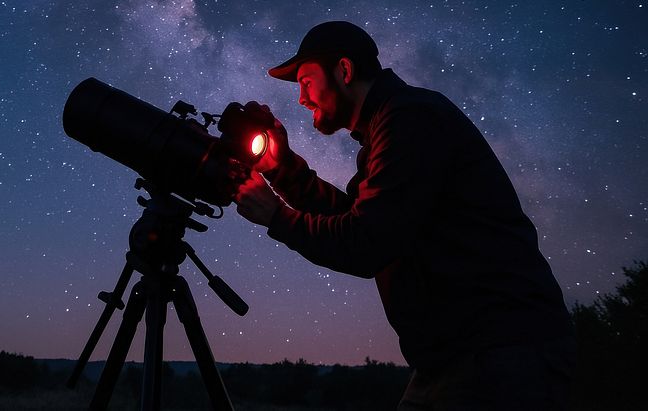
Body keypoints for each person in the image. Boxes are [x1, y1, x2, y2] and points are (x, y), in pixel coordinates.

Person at [234, 21, 574, 410]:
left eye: (306, 81)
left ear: (344, 71)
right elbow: (359, 216)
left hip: (499, 354)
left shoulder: (411, 119)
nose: (301, 99)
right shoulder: (392, 125)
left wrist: (279, 218)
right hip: (463, 356)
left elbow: (366, 241)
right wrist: (281, 168)